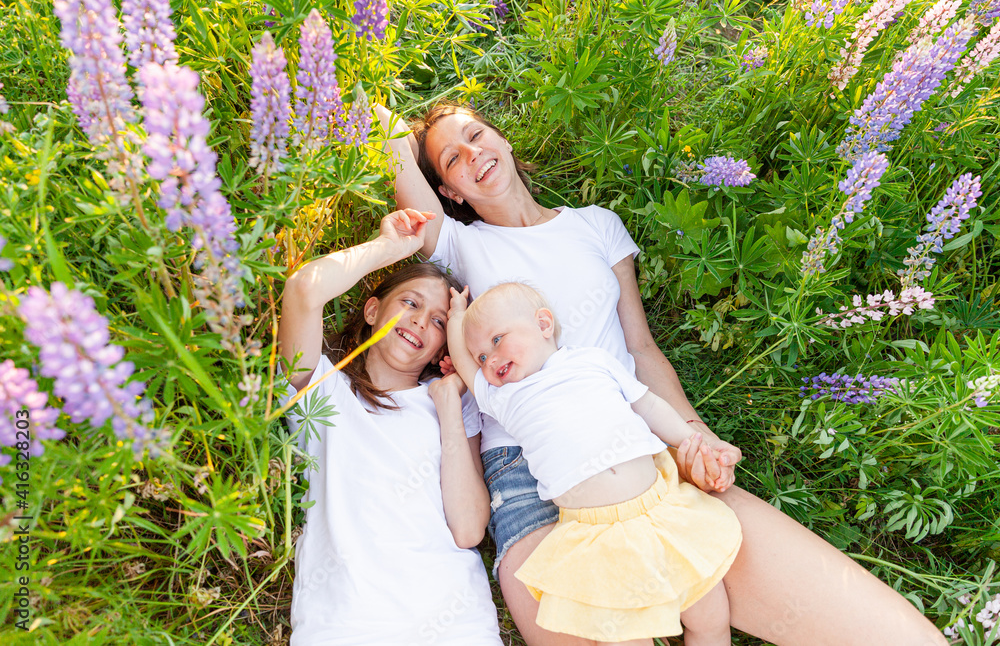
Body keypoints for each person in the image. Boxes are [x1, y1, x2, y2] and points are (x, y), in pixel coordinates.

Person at [375, 101, 949, 646]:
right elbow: (405, 175)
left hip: (643, 456)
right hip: (530, 477)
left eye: (476, 135)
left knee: (899, 635)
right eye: (452, 159)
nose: (472, 153)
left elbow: (643, 349)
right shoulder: (460, 244)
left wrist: (693, 438)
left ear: (502, 138)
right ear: (449, 190)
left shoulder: (595, 226)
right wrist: (380, 118)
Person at [447, 281, 741, 645]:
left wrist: (690, 440)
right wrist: (456, 317)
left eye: (496, 340)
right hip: (596, 536)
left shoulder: (593, 360)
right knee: (624, 636)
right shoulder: (504, 399)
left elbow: (647, 405)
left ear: (543, 324)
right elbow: (461, 360)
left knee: (710, 617)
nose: (489, 359)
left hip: (662, 509)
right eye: (481, 357)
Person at [276, 208, 502, 645]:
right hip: (346, 624)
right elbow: (304, 289)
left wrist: (450, 407)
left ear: (444, 344)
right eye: (410, 303)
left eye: (439, 321)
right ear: (373, 310)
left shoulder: (452, 406)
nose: (420, 321)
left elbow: (470, 529)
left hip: (455, 623)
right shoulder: (322, 387)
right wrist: (388, 248)